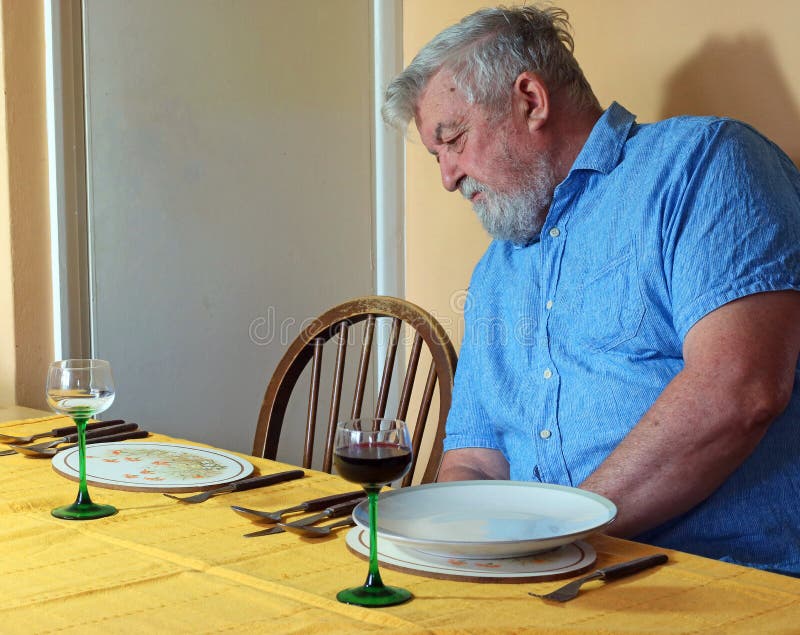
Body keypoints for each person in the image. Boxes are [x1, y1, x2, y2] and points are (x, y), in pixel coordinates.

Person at [382, 5, 800, 576]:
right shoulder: (494, 272)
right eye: (438, 156)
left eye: (453, 139)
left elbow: (740, 390)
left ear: (531, 101)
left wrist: (556, 536)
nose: (447, 176)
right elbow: (475, 461)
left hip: (717, 579)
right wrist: (468, 556)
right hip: (545, 578)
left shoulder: (701, 165)